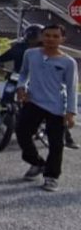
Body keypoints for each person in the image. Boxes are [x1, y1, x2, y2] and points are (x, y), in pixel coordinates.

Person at [15, 24, 78, 192]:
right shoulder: (30, 54)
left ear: (62, 39)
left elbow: (72, 88)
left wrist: (71, 112)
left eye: (55, 36)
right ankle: (37, 162)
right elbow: (23, 73)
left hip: (56, 107)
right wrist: (21, 87)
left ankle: (51, 177)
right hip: (33, 102)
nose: (51, 39)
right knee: (21, 133)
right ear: (42, 37)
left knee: (56, 144)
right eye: (47, 35)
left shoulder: (68, 62)